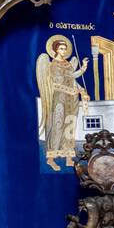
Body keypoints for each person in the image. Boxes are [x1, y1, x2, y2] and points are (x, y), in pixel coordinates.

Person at [36, 35, 89, 171]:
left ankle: (68, 157)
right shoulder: (53, 65)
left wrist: (83, 70)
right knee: (57, 126)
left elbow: (72, 78)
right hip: (59, 99)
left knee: (70, 126)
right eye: (61, 48)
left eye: (65, 48)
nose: (64, 51)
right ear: (55, 50)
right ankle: (51, 158)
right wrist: (72, 91)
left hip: (72, 100)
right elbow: (56, 84)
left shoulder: (67, 64)